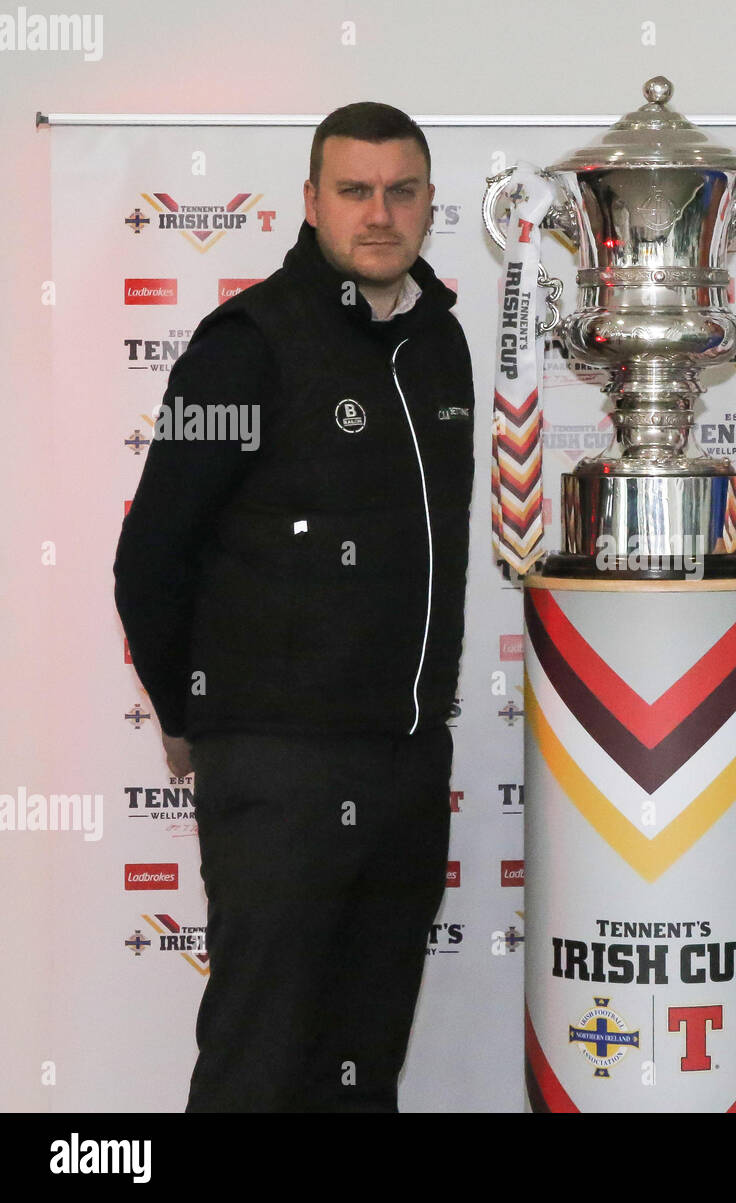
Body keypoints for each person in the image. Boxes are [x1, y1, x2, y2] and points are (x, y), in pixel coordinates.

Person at [114, 102, 473, 1112]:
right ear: (311, 203)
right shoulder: (247, 344)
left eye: (401, 191)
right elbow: (150, 557)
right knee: (257, 1065)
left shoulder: (440, 342)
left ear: (427, 203)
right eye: (354, 191)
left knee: (361, 1065)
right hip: (277, 765)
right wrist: (187, 715)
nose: (378, 213)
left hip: (405, 759)